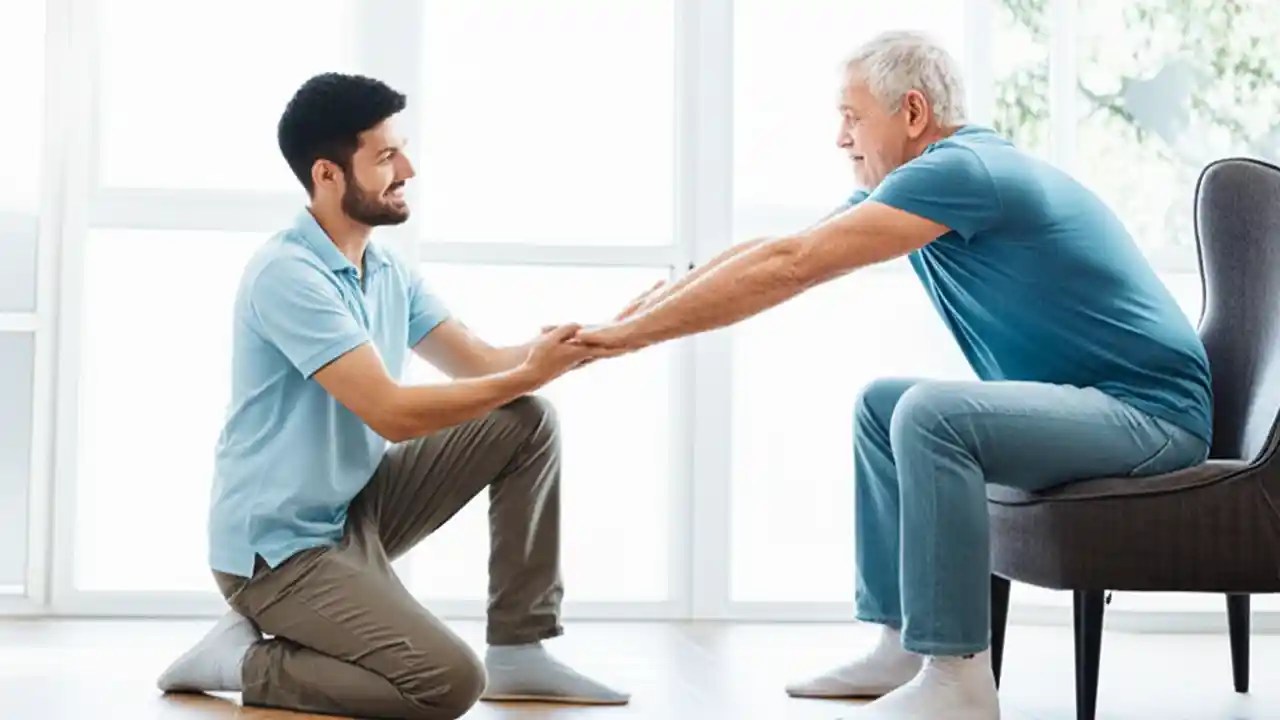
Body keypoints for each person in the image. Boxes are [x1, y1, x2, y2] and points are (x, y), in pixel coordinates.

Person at [575, 31, 1212, 720]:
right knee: (886, 407)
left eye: (852, 116)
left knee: (931, 414)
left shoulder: (962, 172)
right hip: (1104, 409)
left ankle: (959, 679)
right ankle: (900, 647)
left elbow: (791, 266)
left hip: (1152, 418)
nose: (840, 138)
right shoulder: (931, 182)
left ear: (912, 114)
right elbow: (779, 249)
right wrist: (634, 314)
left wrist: (629, 338)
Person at [156, 73, 627, 720]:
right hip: (277, 551)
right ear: (326, 174)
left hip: (354, 510)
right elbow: (391, 414)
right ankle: (242, 661)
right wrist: (530, 371)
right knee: (448, 683)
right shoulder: (289, 275)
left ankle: (520, 649)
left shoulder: (385, 269)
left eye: (400, 150)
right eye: (384, 157)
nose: (407, 168)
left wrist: (587, 341)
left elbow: (481, 364)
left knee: (526, 421)